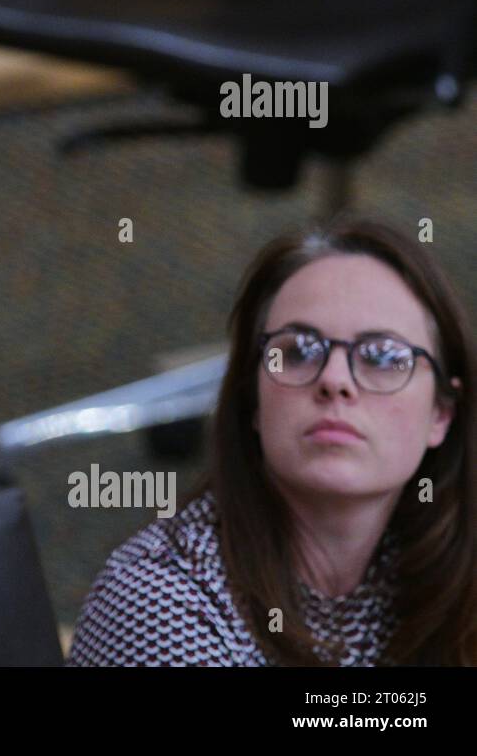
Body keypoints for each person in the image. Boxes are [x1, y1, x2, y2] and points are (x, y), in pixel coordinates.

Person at [69, 218, 476, 665]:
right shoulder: (158, 599)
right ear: (253, 399)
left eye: (383, 356)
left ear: (440, 414)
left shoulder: (440, 571)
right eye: (299, 350)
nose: (335, 380)